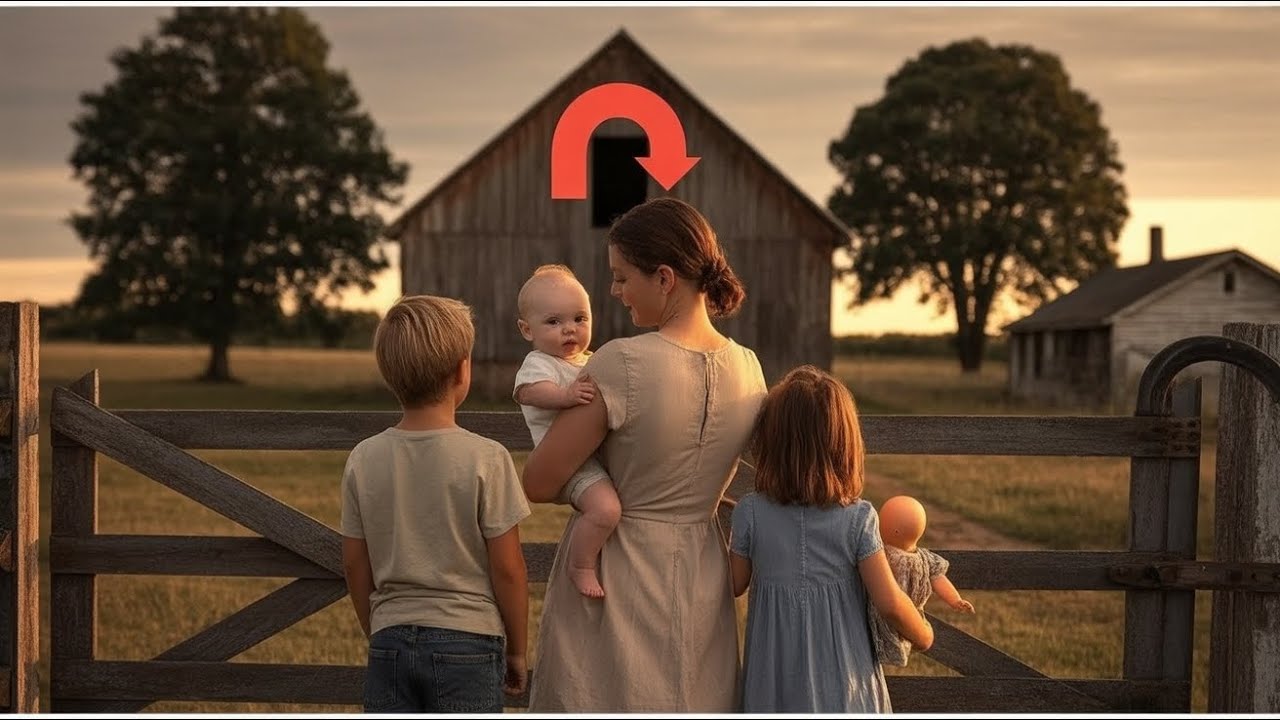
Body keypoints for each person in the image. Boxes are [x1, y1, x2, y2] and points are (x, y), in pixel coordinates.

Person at [521, 197, 768, 712]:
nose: (614, 292)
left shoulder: (621, 362)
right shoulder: (749, 368)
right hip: (704, 572)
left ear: (664, 277)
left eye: (620, 276)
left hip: (617, 573)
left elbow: (540, 482)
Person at [340, 295, 531, 713]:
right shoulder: (487, 457)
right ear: (462, 370)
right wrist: (517, 650)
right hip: (470, 642)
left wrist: (377, 629)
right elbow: (509, 568)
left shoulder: (364, 457)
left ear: (389, 374)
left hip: (389, 639)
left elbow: (355, 563)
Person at [728, 366, 935, 713]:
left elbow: (733, 584)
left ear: (770, 444)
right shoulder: (858, 520)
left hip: (773, 686)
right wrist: (924, 635)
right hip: (846, 687)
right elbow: (890, 603)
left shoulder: (750, 513)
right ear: (844, 446)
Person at [512, 264, 621, 598]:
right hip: (568, 464)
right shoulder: (539, 365)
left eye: (579, 319)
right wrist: (565, 396)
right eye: (554, 322)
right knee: (606, 509)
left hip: (596, 455)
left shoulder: (590, 360)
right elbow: (528, 392)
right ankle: (580, 565)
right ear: (527, 329)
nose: (569, 330)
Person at [868, 495, 975, 667]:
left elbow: (938, 578)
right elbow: (938, 578)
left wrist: (955, 599)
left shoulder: (883, 555)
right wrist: (955, 600)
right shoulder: (923, 558)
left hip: (901, 610)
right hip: (887, 610)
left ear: (892, 530)